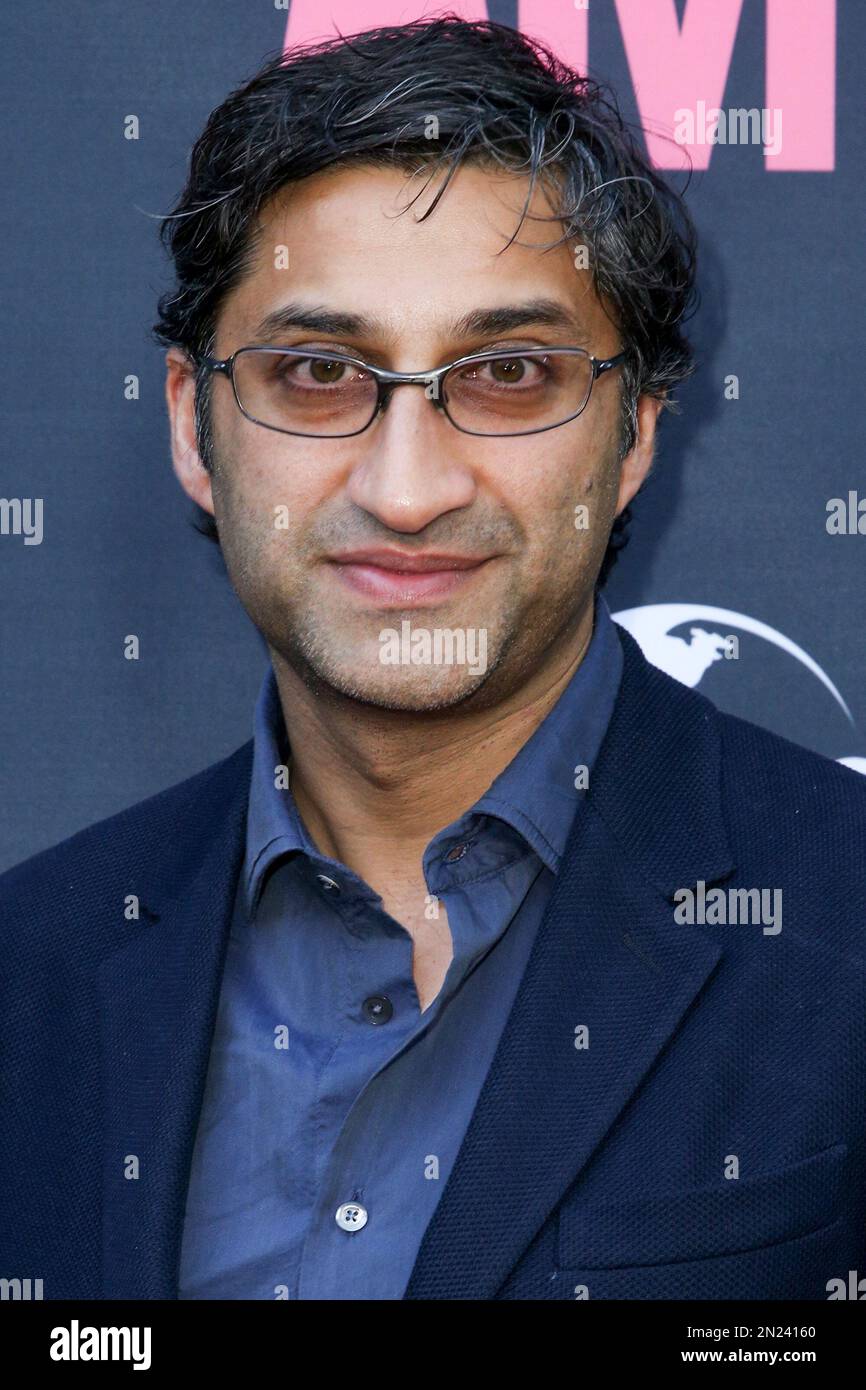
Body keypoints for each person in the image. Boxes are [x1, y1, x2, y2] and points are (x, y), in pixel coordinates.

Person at [2, 17, 864, 1302]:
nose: (406, 490)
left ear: (631, 437)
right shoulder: (32, 968)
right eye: (315, 372)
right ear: (194, 425)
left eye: (509, 372)